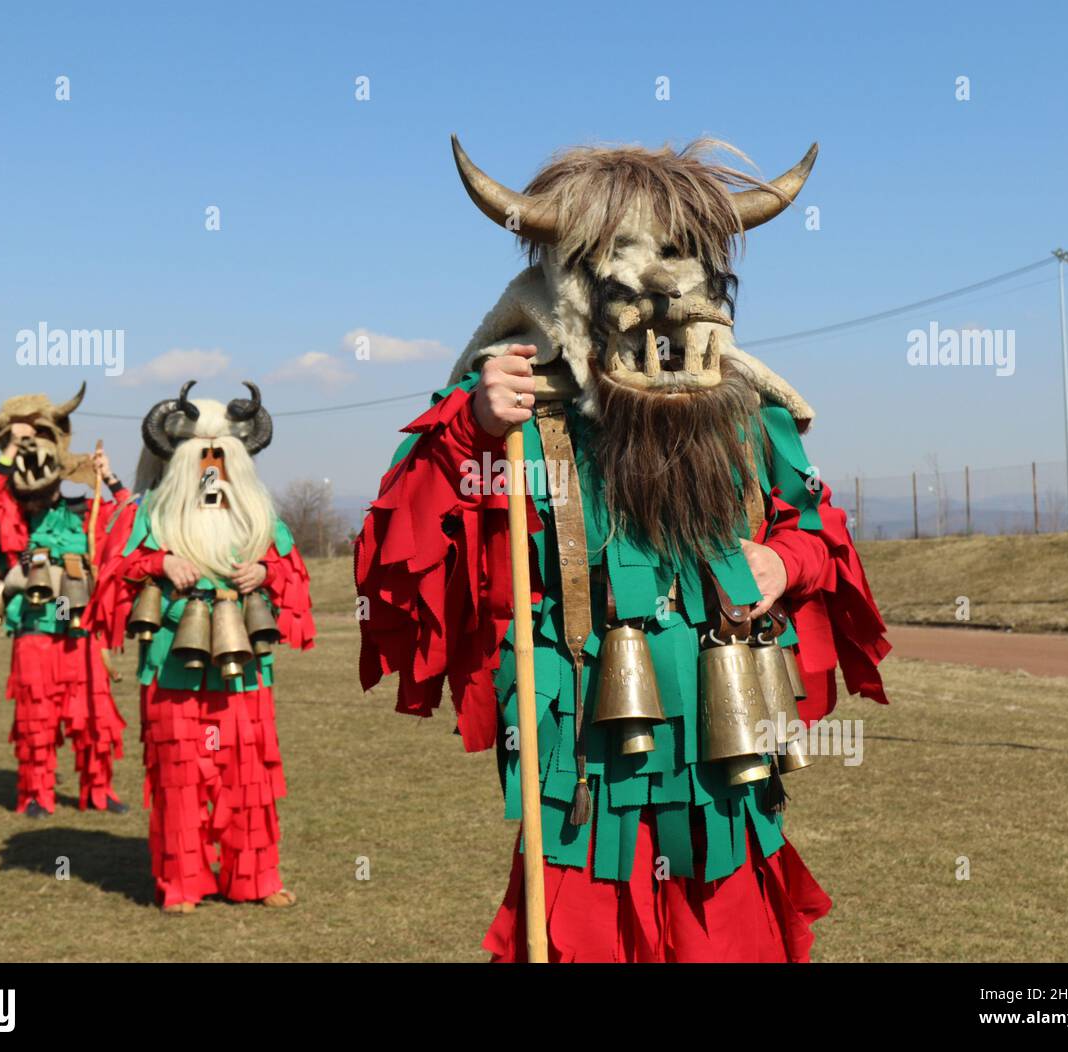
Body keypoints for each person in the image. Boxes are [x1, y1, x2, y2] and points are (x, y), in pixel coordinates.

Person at [355, 136, 891, 961]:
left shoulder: (746, 413)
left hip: (725, 759)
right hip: (582, 768)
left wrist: (786, 562)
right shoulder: (520, 411)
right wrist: (471, 426)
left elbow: (819, 527)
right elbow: (404, 536)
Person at [89, 381, 315, 914]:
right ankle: (182, 884)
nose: (213, 470)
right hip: (172, 672)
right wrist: (158, 563)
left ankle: (255, 879)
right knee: (178, 777)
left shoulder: (261, 524)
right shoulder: (151, 518)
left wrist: (265, 570)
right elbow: (112, 577)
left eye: (222, 459)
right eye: (203, 459)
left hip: (245, 676)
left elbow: (295, 579)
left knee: (248, 778)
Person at [0, 383, 128, 816]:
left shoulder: (86, 512)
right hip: (36, 627)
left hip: (80, 628)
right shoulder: (12, 518)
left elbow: (131, 524)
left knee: (94, 714)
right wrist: (9, 450)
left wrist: (110, 478)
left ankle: (99, 790)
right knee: (37, 715)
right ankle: (36, 793)